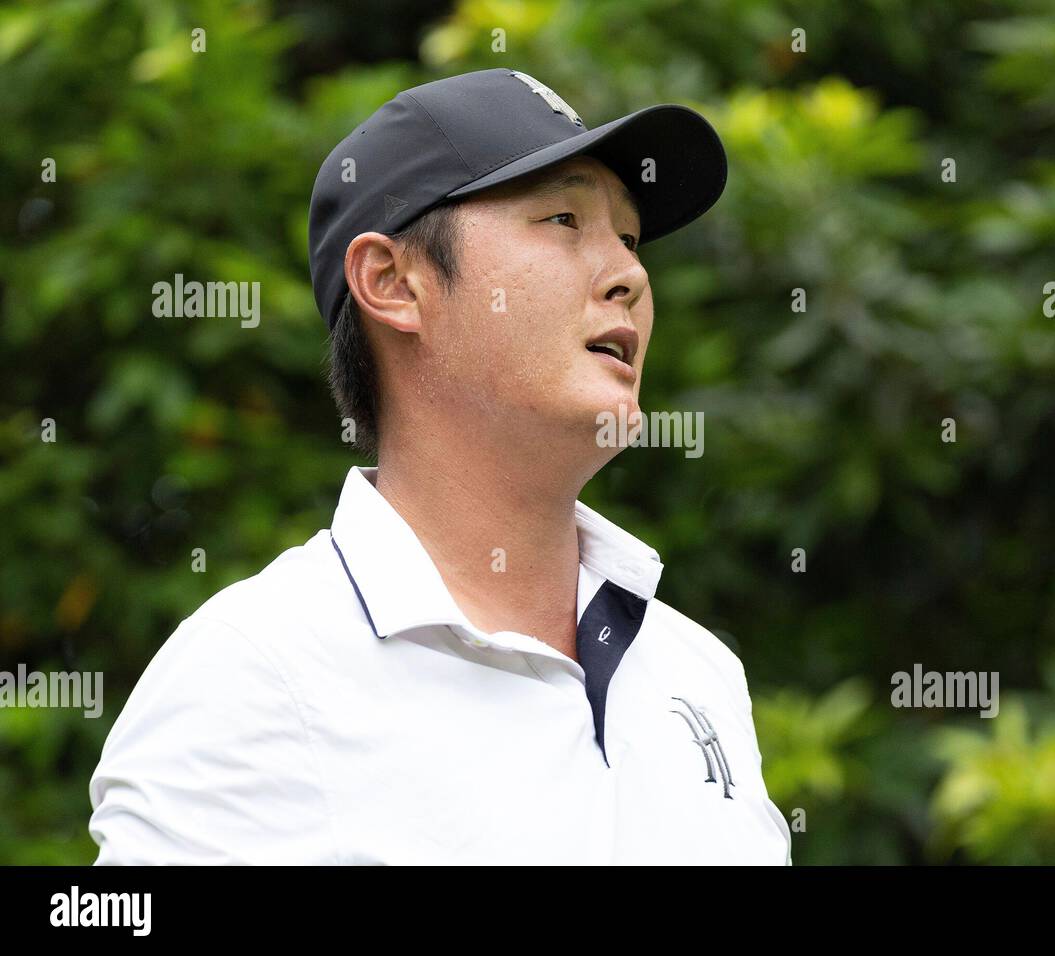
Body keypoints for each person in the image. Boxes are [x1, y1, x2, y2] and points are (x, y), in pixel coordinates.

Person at [88, 67, 792, 865]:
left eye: (628, 239)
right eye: (564, 219)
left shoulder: (699, 673)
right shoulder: (255, 673)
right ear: (393, 284)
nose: (628, 275)